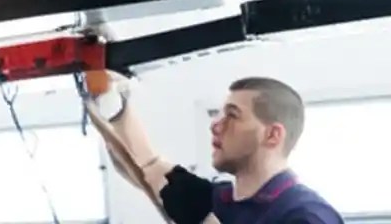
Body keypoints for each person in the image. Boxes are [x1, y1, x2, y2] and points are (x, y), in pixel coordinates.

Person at [84, 74, 343, 224]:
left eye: (233, 115)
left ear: (272, 135)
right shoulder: (222, 200)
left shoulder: (307, 216)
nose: (216, 126)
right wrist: (114, 104)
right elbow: (147, 165)